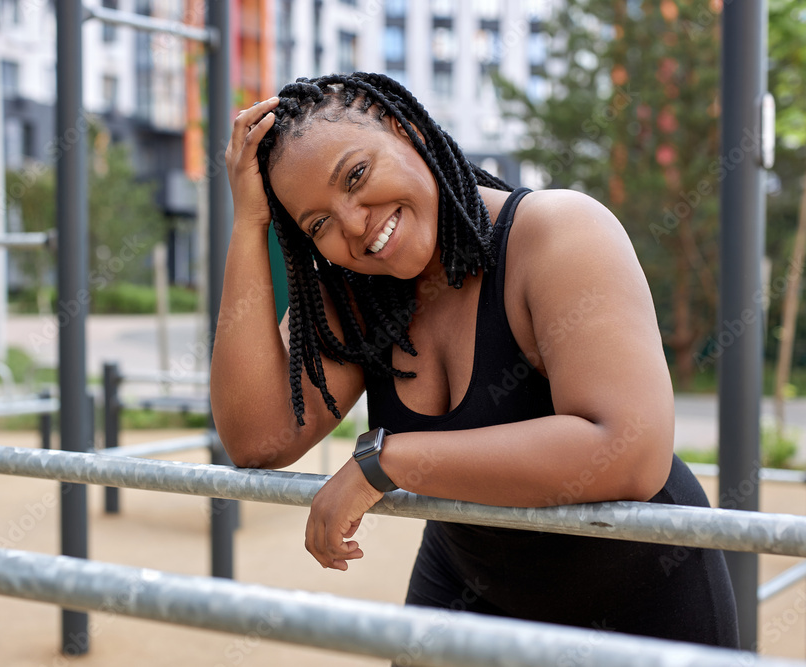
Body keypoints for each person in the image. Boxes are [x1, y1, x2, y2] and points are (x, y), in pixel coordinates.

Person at [210, 72, 738, 649]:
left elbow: (630, 451)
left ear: (407, 129)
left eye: (357, 175)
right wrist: (249, 224)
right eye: (318, 224)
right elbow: (257, 439)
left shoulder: (556, 234)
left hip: (641, 604)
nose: (355, 225)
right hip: (469, 589)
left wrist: (389, 462)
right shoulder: (356, 294)